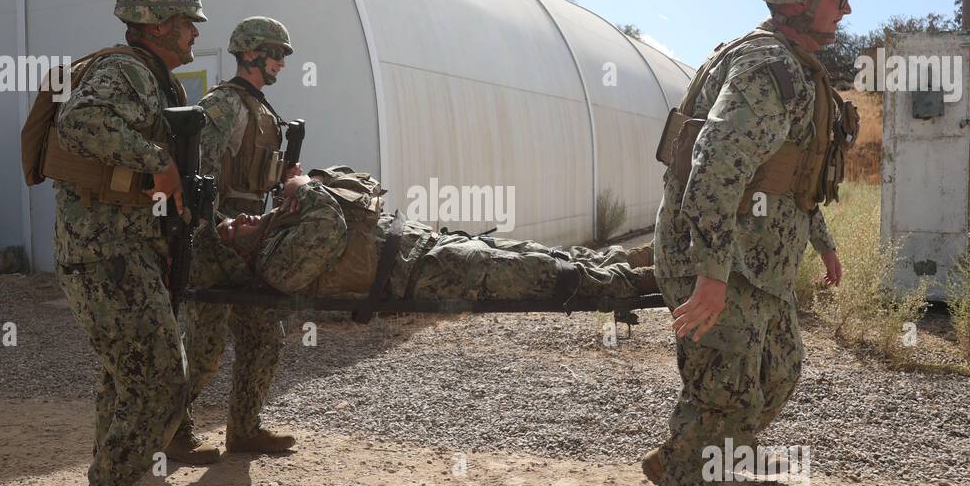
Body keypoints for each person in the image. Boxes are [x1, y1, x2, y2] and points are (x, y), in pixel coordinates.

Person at [645, 0, 861, 486]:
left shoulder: (794, 66)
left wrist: (821, 244)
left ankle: (678, 460)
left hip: (759, 265)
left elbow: (790, 175)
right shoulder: (769, 69)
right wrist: (710, 277)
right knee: (725, 395)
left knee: (780, 372)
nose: (845, 10)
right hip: (721, 263)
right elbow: (712, 174)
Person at [52, 0, 207, 486]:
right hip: (103, 251)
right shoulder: (125, 71)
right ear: (162, 24)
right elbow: (80, 123)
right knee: (163, 381)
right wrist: (155, 159)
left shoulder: (156, 78)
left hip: (128, 247)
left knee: (123, 381)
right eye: (189, 22)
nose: (194, 33)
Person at [167, 18, 303, 463]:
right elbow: (195, 177)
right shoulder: (224, 104)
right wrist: (217, 227)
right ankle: (174, 434)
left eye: (283, 55)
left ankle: (244, 429)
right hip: (213, 242)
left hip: (245, 238)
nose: (282, 63)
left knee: (264, 335)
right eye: (275, 54)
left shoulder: (261, 110)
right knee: (205, 350)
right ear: (249, 55)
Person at [217, 167, 655, 304]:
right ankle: (635, 284)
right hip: (424, 274)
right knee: (540, 272)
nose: (240, 219)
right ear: (240, 251)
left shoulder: (284, 226)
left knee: (532, 250)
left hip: (427, 247)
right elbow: (330, 227)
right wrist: (305, 189)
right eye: (232, 228)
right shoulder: (276, 264)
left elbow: (359, 186)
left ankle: (624, 261)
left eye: (234, 218)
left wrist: (311, 184)